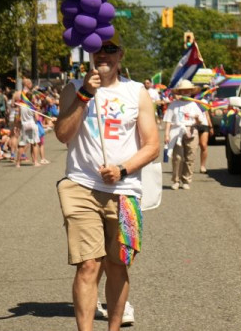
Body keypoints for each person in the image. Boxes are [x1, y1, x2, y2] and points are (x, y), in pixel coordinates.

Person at [54, 35, 159, 331]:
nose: (104, 55)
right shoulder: (73, 89)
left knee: (117, 265)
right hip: (80, 187)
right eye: (98, 49)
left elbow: (152, 146)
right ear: (89, 52)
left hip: (124, 191)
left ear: (120, 54)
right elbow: (62, 134)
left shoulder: (136, 92)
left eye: (110, 49)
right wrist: (85, 94)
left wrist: (123, 170)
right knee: (88, 265)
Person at [164, 80, 207, 190]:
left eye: (188, 90)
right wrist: (167, 134)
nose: (186, 92)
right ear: (180, 91)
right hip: (177, 131)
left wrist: (197, 118)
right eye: (183, 90)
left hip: (191, 130)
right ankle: (176, 180)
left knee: (190, 156)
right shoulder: (174, 105)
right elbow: (168, 120)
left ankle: (186, 179)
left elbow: (200, 121)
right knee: (177, 157)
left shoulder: (194, 104)